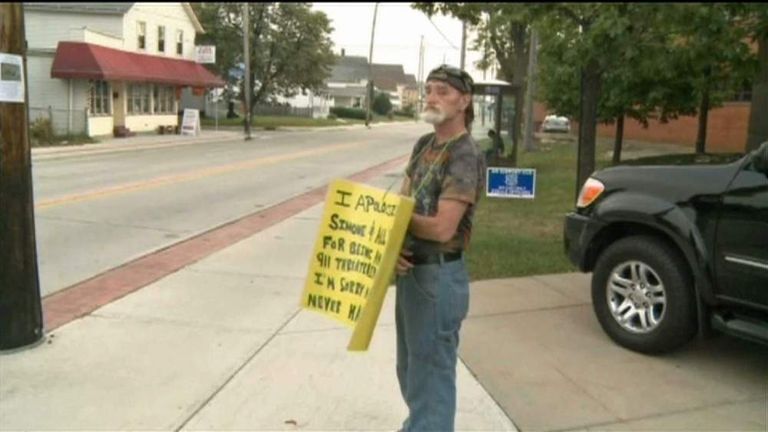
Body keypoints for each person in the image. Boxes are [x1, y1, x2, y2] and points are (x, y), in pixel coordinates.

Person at [394, 64, 485, 432]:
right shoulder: (424, 145)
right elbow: (403, 199)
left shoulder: (464, 154)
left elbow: (442, 227)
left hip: (438, 276)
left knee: (431, 375)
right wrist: (394, 244)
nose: (432, 97)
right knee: (411, 370)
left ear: (464, 101)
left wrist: (395, 220)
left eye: (443, 91)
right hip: (412, 273)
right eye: (429, 89)